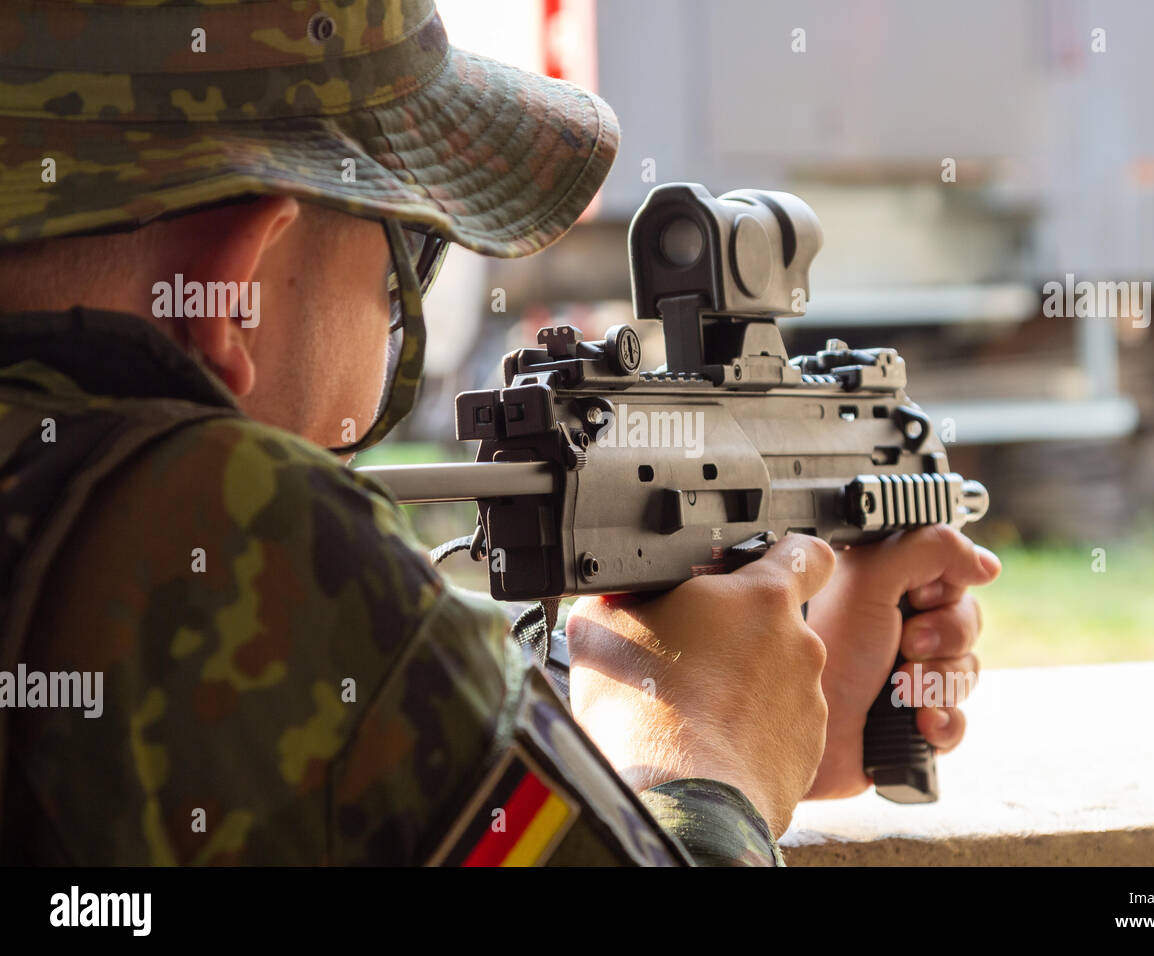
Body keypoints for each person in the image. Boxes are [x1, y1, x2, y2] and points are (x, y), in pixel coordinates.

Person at [0, 0, 999, 866]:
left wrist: (755, 717)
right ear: (232, 289)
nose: (404, 306)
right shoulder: (224, 528)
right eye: (411, 261)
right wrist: (702, 769)